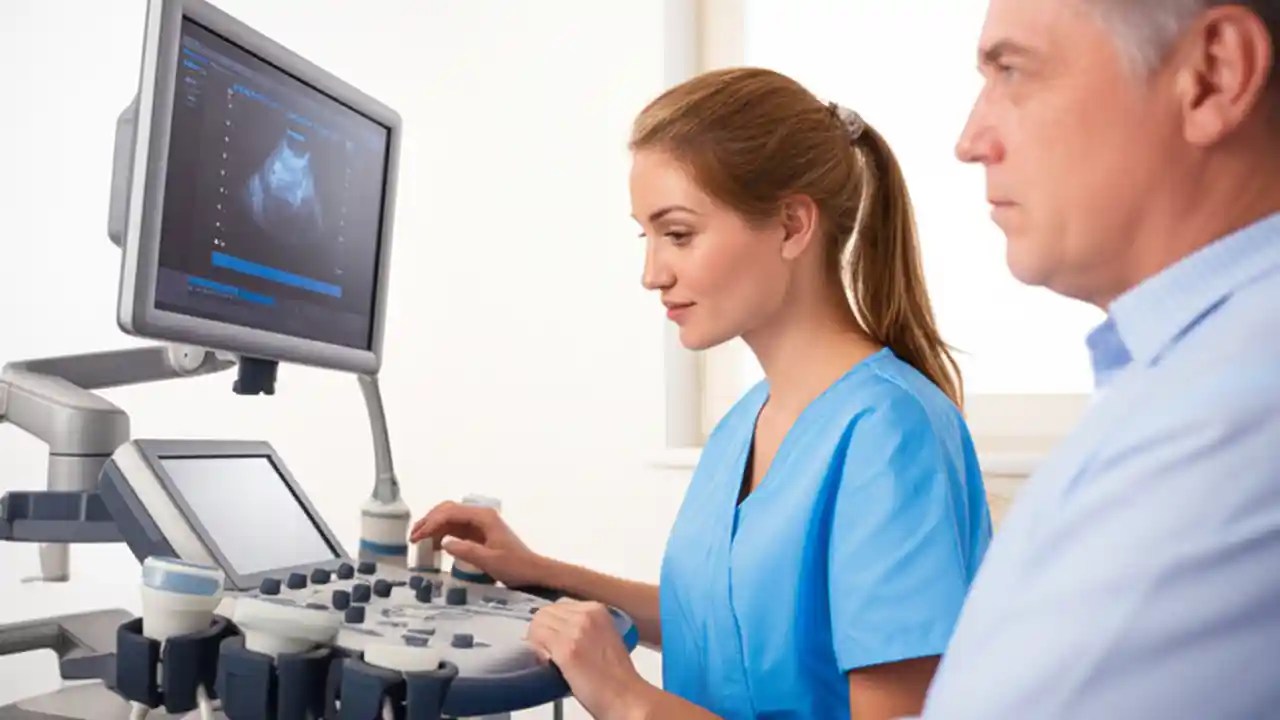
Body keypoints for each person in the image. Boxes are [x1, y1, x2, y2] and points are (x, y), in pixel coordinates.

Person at [410, 67, 992, 720]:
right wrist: (535, 570)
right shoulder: (747, 422)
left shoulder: (890, 433)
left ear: (793, 225)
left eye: (679, 234)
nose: (651, 274)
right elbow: (721, 619)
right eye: (647, 237)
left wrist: (629, 699)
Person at [919, 1, 1280, 717]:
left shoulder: (1240, 405)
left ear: (1212, 76)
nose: (970, 140)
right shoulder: (1179, 370)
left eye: (1014, 71)